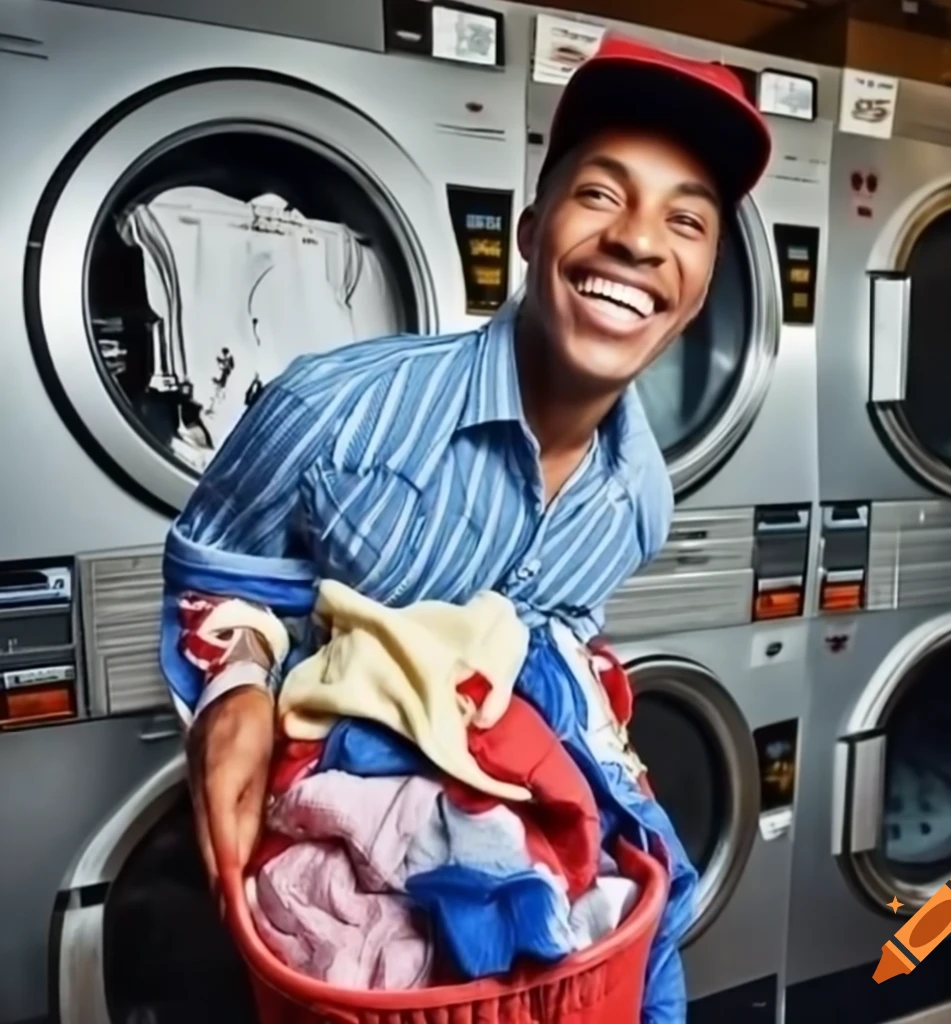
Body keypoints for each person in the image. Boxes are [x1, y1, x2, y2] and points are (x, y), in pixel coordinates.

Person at [160, 31, 771, 1018]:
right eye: (601, 194)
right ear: (531, 231)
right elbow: (220, 567)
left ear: (696, 291)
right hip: (333, 898)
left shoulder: (637, 498)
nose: (638, 240)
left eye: (686, 222)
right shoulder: (332, 409)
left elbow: (558, 647)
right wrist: (235, 688)